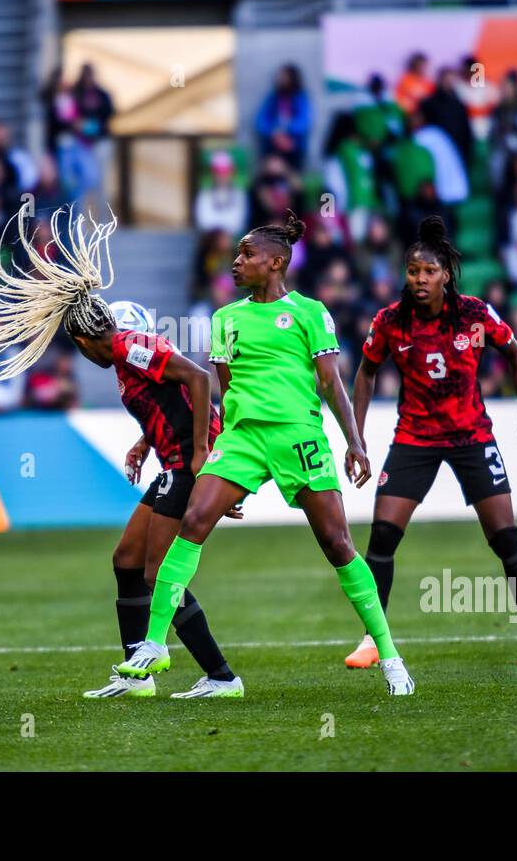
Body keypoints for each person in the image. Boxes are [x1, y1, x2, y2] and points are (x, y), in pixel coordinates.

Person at [117, 216, 417, 696]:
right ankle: (154, 643)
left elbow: (330, 382)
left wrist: (355, 442)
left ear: (276, 262)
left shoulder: (310, 313)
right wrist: (224, 458)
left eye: (246, 255)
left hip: (299, 436)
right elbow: (225, 386)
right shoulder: (225, 318)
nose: (236, 262)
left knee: (338, 544)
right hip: (242, 439)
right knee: (193, 519)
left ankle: (390, 656)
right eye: (236, 254)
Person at [0, 211, 246, 699]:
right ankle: (139, 675)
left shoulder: (128, 348)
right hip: (172, 463)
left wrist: (202, 458)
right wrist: (143, 442)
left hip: (184, 466)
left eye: (79, 348)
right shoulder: (124, 356)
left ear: (85, 339)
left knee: (157, 572)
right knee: (127, 559)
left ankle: (220, 677)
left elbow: (197, 379)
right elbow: (167, 401)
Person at [348, 215, 517, 670]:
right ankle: (372, 638)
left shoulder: (475, 315)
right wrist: (356, 439)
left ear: (446, 275)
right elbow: (365, 372)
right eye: (413, 271)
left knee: (504, 538)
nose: (420, 279)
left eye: (429, 272)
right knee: (381, 536)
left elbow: (515, 354)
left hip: (471, 435)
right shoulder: (391, 322)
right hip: (415, 437)